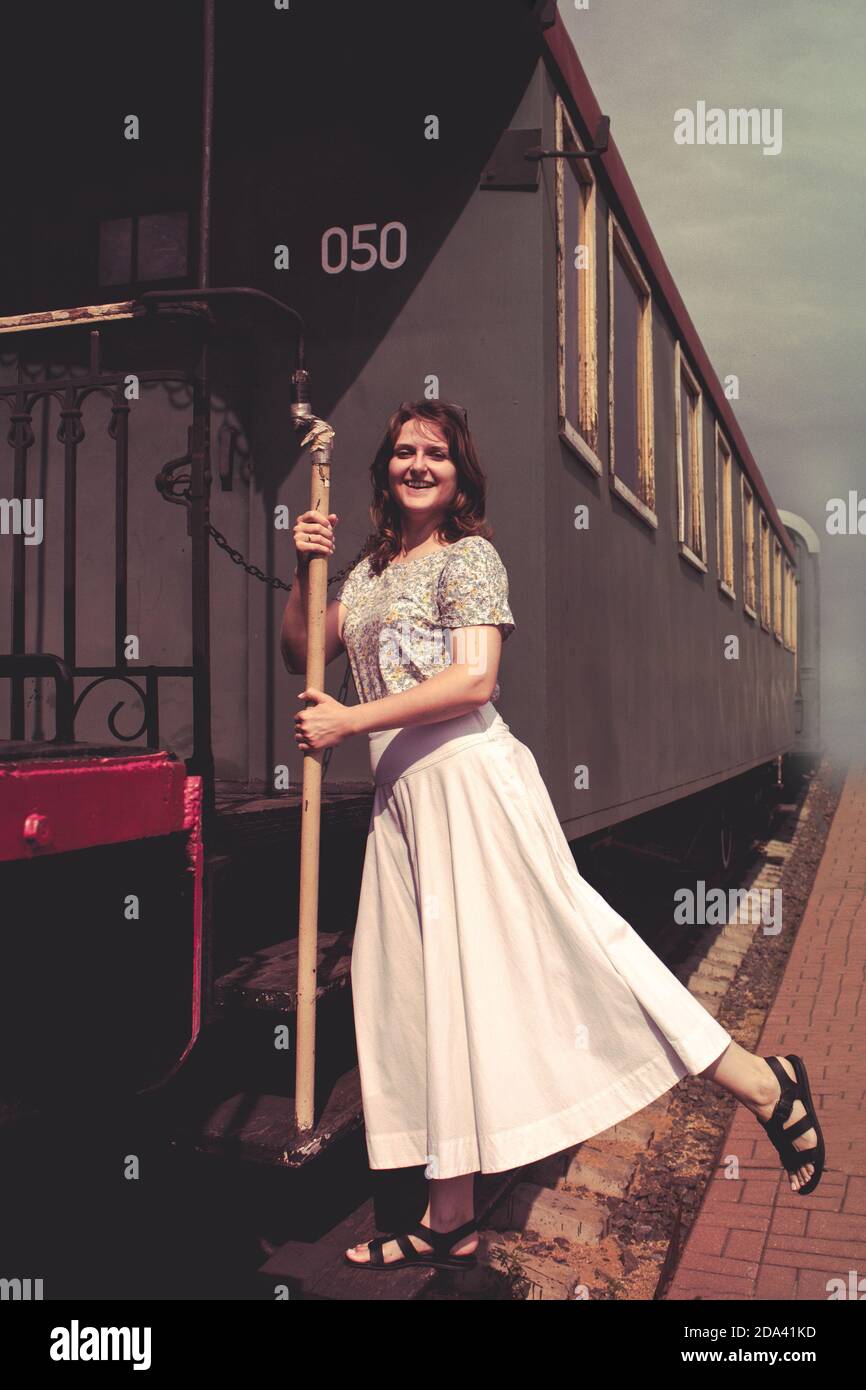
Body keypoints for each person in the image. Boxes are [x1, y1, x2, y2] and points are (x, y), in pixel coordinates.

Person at [279, 400, 825, 1274]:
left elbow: (474, 679)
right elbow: (302, 647)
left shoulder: (471, 557)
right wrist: (302, 565)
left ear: (461, 474)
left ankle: (765, 1081)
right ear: (384, 469)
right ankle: (447, 1213)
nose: (418, 465)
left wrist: (353, 723)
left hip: (473, 783)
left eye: (437, 454)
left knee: (582, 947)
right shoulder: (370, 571)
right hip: (404, 800)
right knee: (419, 998)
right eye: (404, 453)